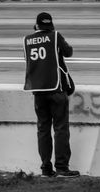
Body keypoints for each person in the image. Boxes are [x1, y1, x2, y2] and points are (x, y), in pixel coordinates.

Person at [23, 12, 79, 178]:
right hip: (56, 89)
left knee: (43, 129)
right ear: (51, 25)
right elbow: (68, 52)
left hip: (38, 91)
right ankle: (62, 167)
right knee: (61, 128)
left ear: (37, 25)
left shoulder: (27, 40)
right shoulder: (55, 36)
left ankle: (46, 168)